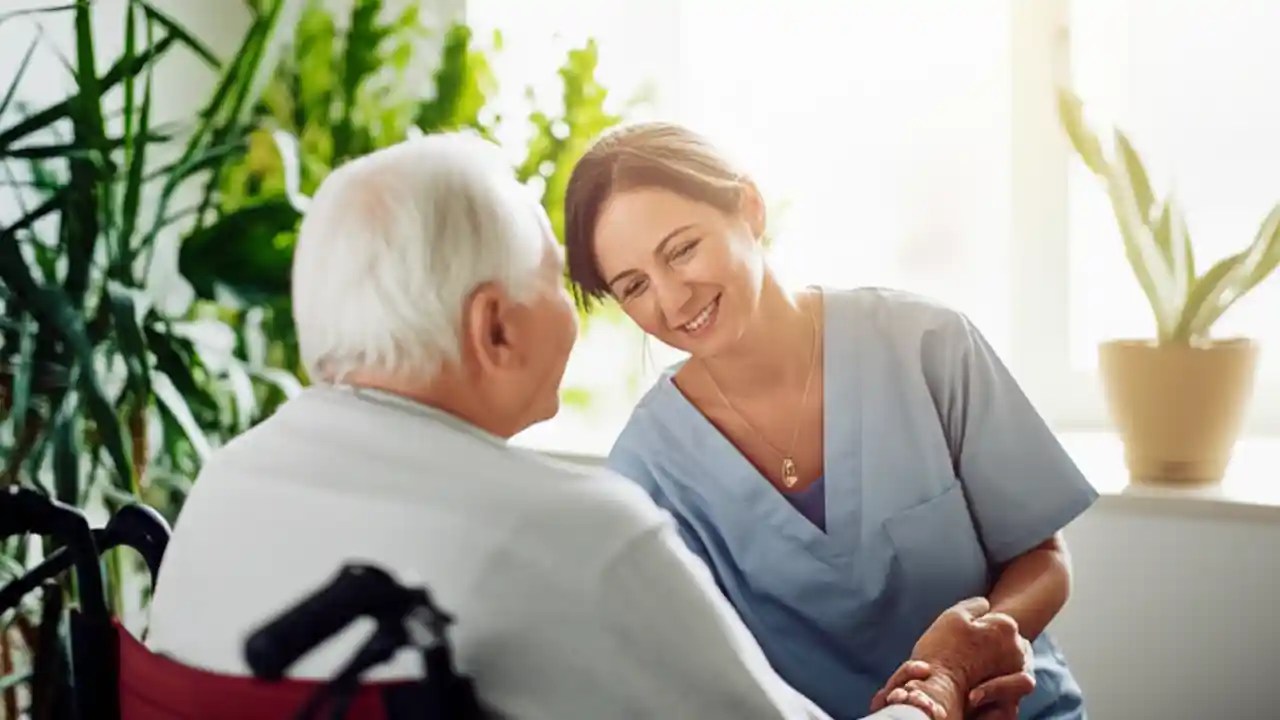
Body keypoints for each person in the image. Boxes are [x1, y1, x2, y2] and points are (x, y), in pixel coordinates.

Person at [145, 132, 1023, 719]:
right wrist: (938, 683)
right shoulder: (578, 532)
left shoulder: (224, 486)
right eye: (560, 278)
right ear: (496, 328)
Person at [563, 121, 1100, 720]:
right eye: (634, 285)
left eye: (682, 249)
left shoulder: (925, 345)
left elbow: (1043, 557)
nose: (671, 299)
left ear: (749, 207)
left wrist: (971, 660)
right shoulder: (648, 468)